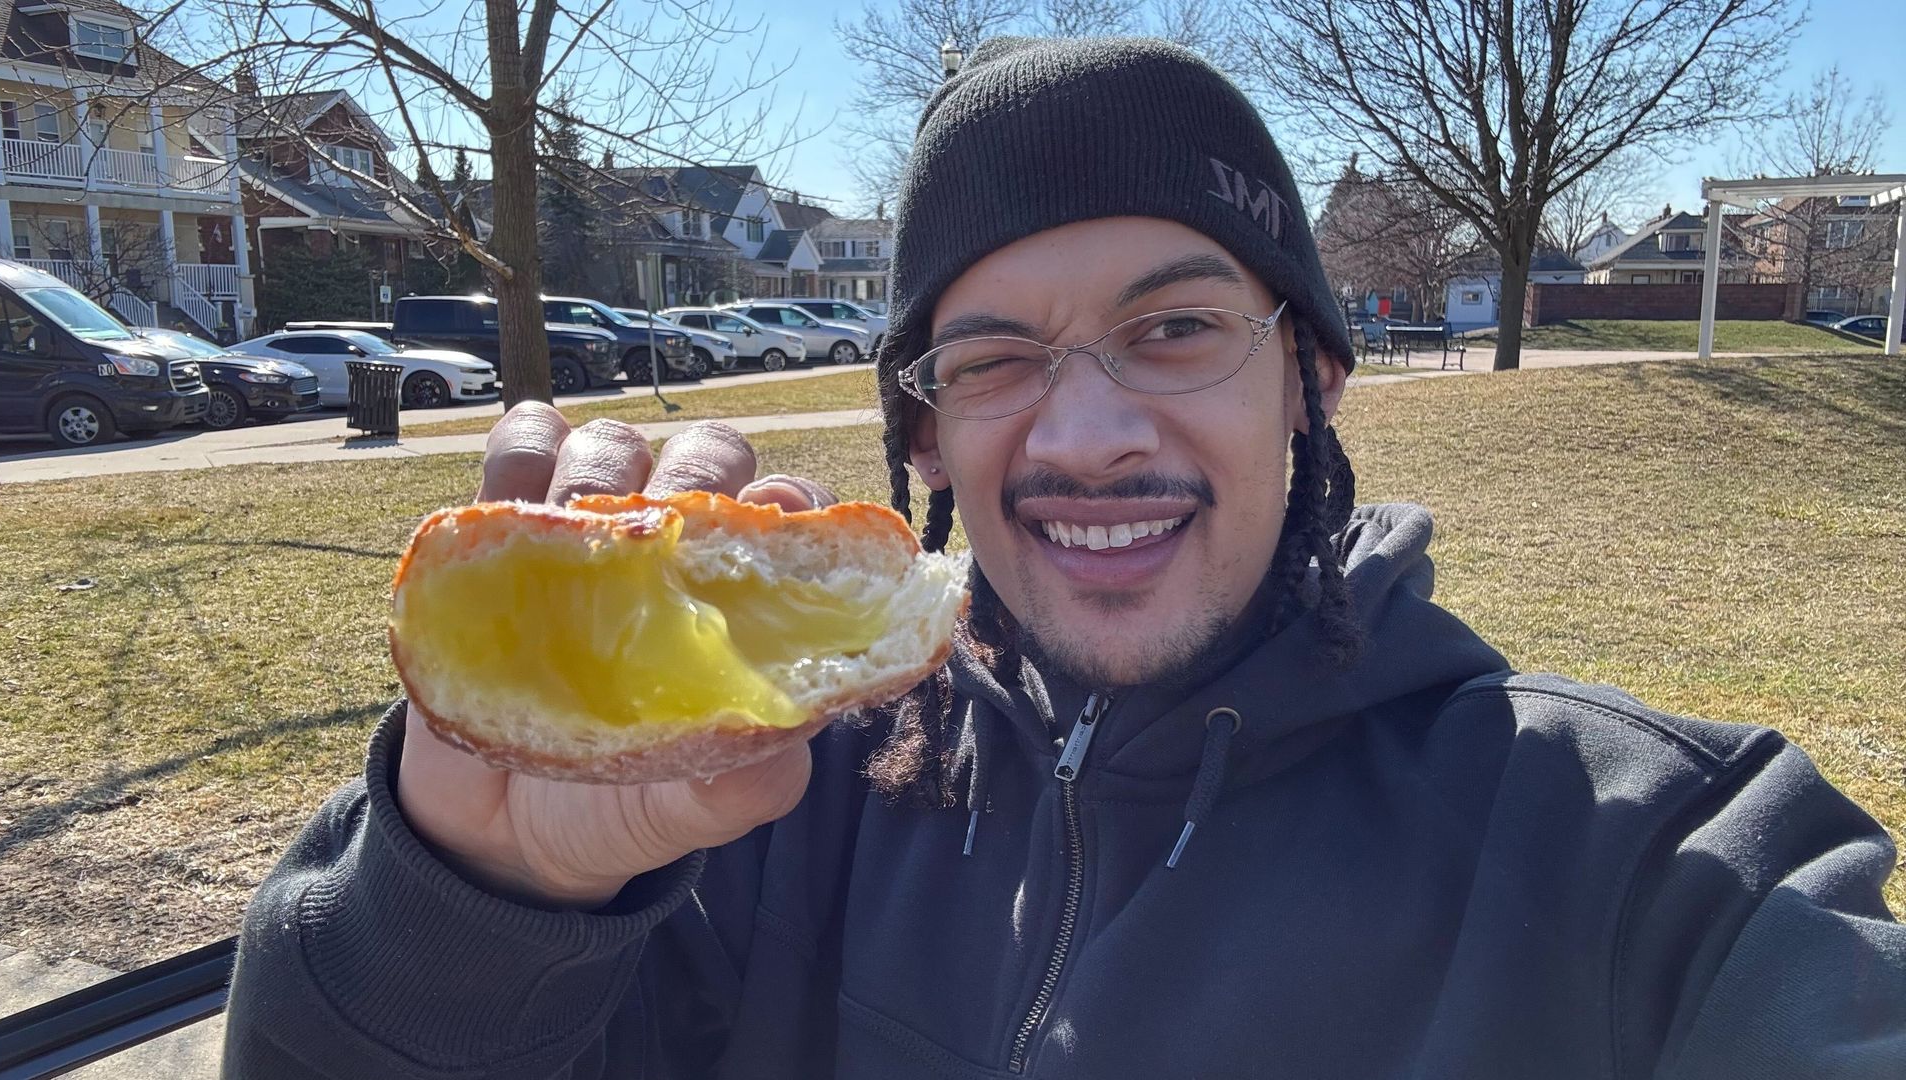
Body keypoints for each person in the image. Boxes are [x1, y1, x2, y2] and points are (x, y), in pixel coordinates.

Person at [220, 38, 1905, 1079]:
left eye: (1176, 326)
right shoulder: (736, 812)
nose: (1084, 431)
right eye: (996, 356)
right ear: (923, 436)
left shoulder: (1656, 864)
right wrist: (481, 891)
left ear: (1312, 376)